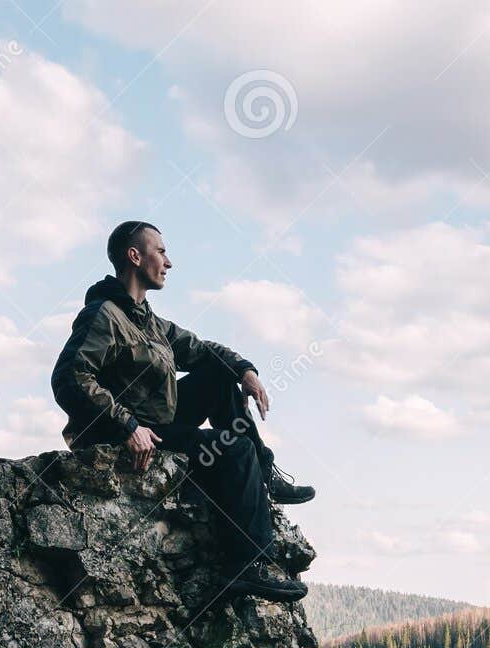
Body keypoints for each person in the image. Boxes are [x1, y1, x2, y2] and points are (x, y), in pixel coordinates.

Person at [52, 221, 316, 603]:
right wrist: (125, 424)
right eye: (161, 251)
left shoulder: (149, 322)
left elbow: (202, 351)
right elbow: (69, 378)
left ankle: (264, 473)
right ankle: (246, 567)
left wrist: (245, 370)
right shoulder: (103, 315)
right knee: (234, 449)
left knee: (218, 376)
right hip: (123, 432)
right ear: (135, 256)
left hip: (157, 423)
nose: (168, 262)